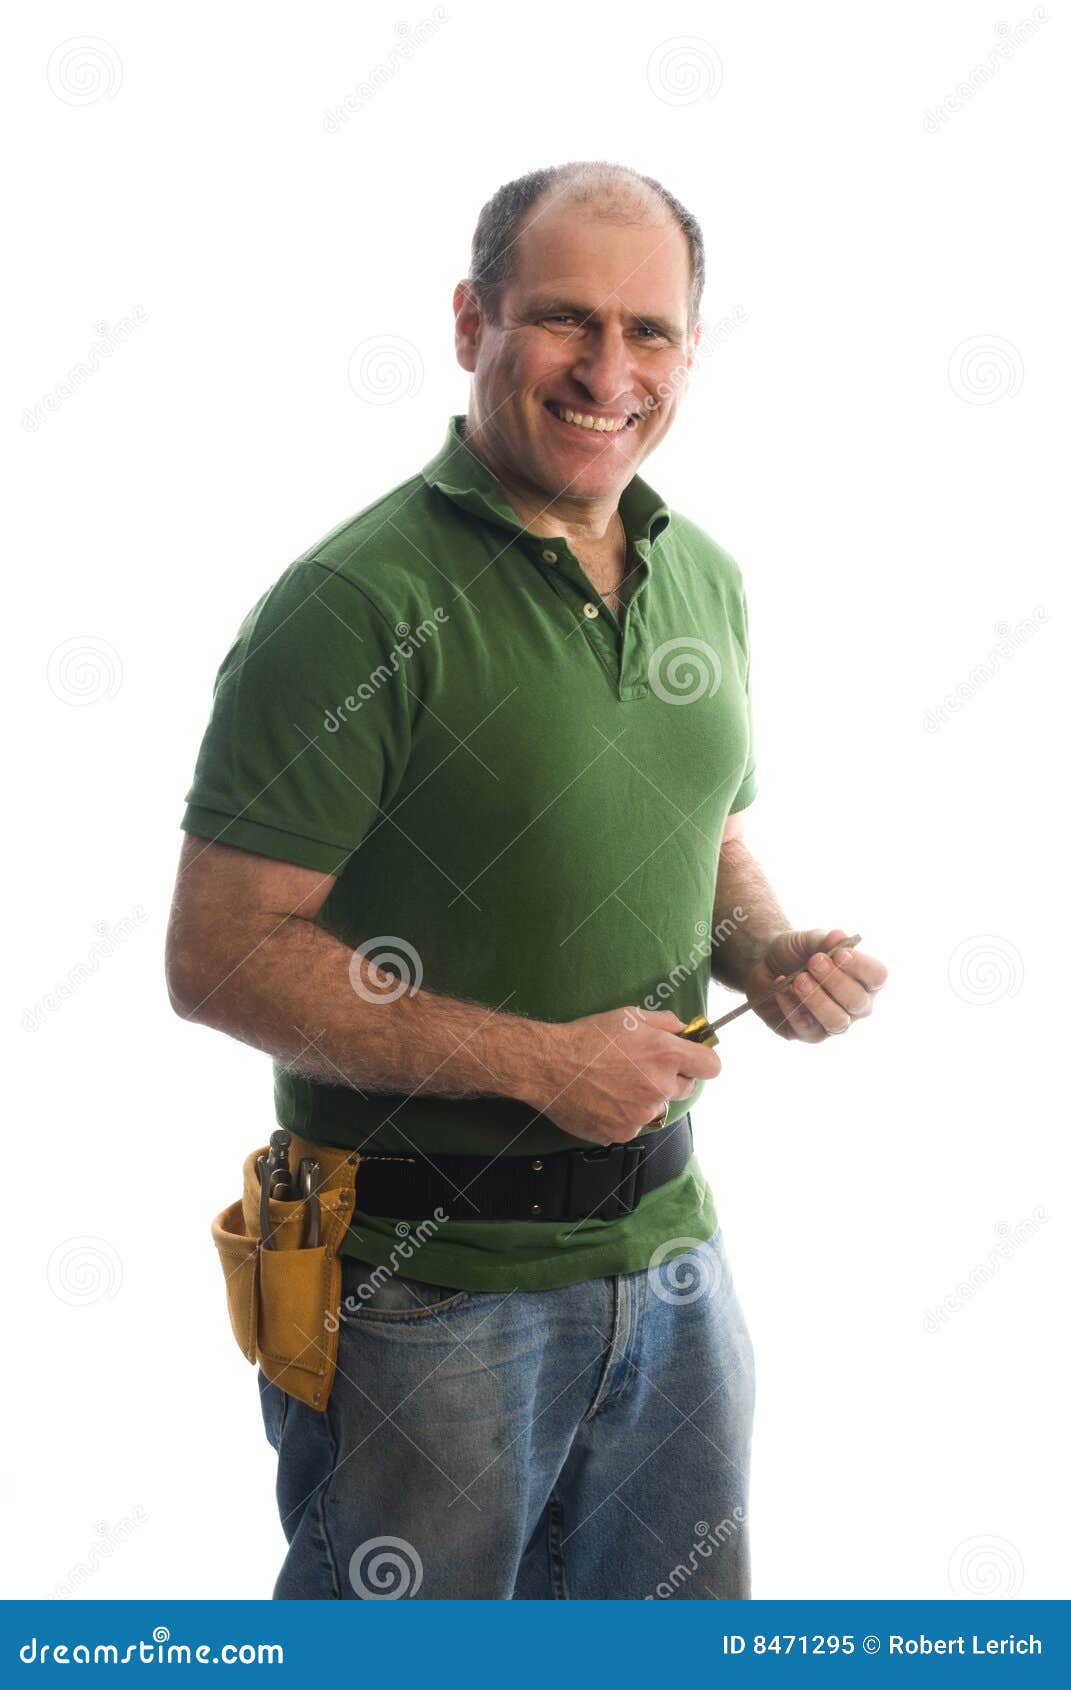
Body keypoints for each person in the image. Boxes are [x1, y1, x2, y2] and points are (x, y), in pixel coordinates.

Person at [165, 160, 888, 1600]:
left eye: (653, 331)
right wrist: (542, 1063)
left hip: (675, 1260)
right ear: (470, 323)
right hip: (422, 1293)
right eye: (564, 321)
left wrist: (771, 951)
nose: (609, 369)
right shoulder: (350, 604)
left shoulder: (705, 579)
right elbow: (223, 955)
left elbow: (709, 841)